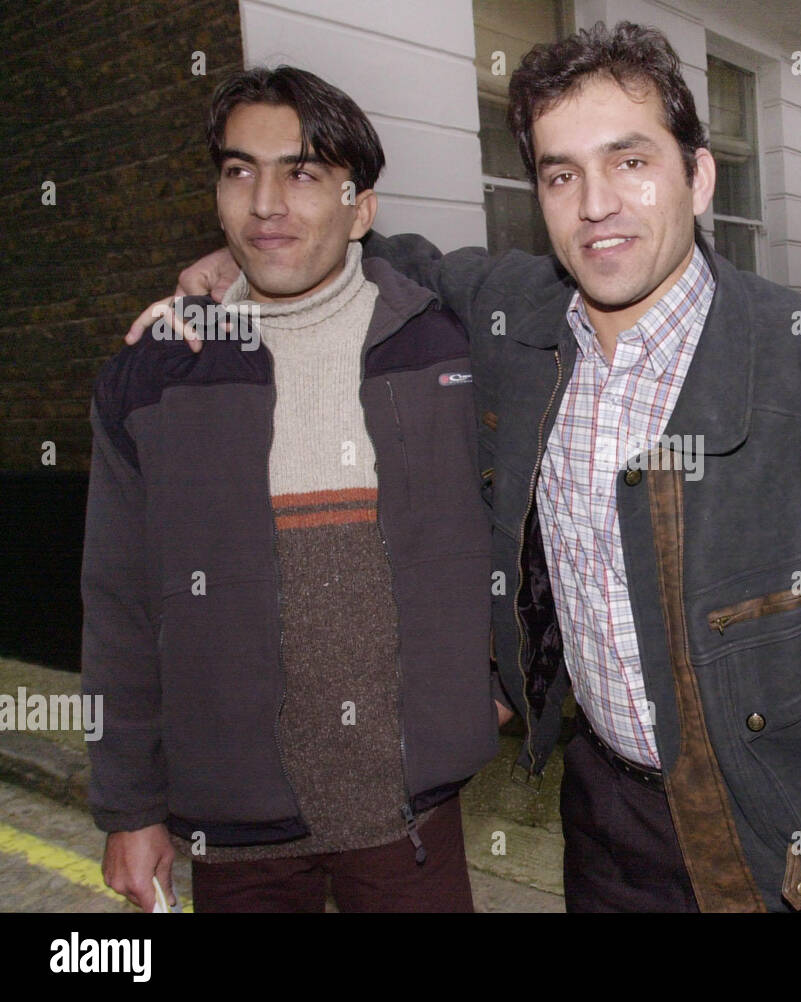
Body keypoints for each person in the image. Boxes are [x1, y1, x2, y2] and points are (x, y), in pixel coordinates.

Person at [128, 22, 801, 913]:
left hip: (779, 834)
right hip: (599, 812)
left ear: (698, 177)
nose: (596, 205)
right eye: (560, 174)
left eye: (630, 162)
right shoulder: (518, 321)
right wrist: (243, 264)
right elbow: (396, 260)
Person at [86, 66, 504, 912]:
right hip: (232, 827)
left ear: (361, 206)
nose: (266, 202)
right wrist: (129, 808)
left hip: (411, 818)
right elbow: (120, 605)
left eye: (303, 173)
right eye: (241, 171)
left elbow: (522, 519)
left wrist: (497, 672)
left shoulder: (448, 349)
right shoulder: (155, 379)